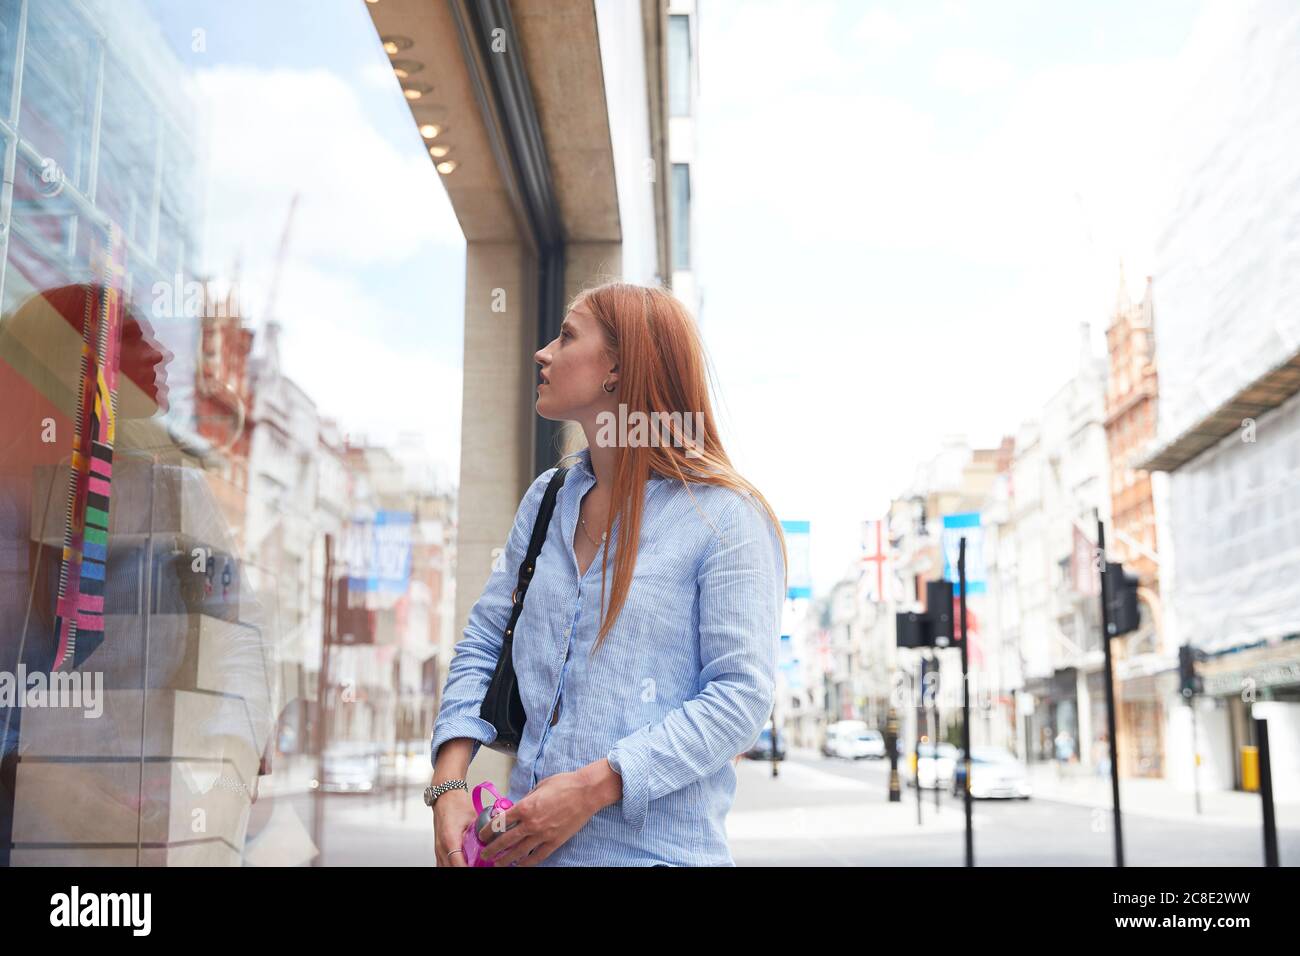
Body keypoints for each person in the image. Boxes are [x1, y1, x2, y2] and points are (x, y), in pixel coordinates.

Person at [427, 282, 787, 866]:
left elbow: (739, 700)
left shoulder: (724, 517)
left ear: (617, 369)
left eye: (567, 336)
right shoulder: (547, 500)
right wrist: (448, 783)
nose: (543, 353)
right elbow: (486, 640)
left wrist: (596, 786)